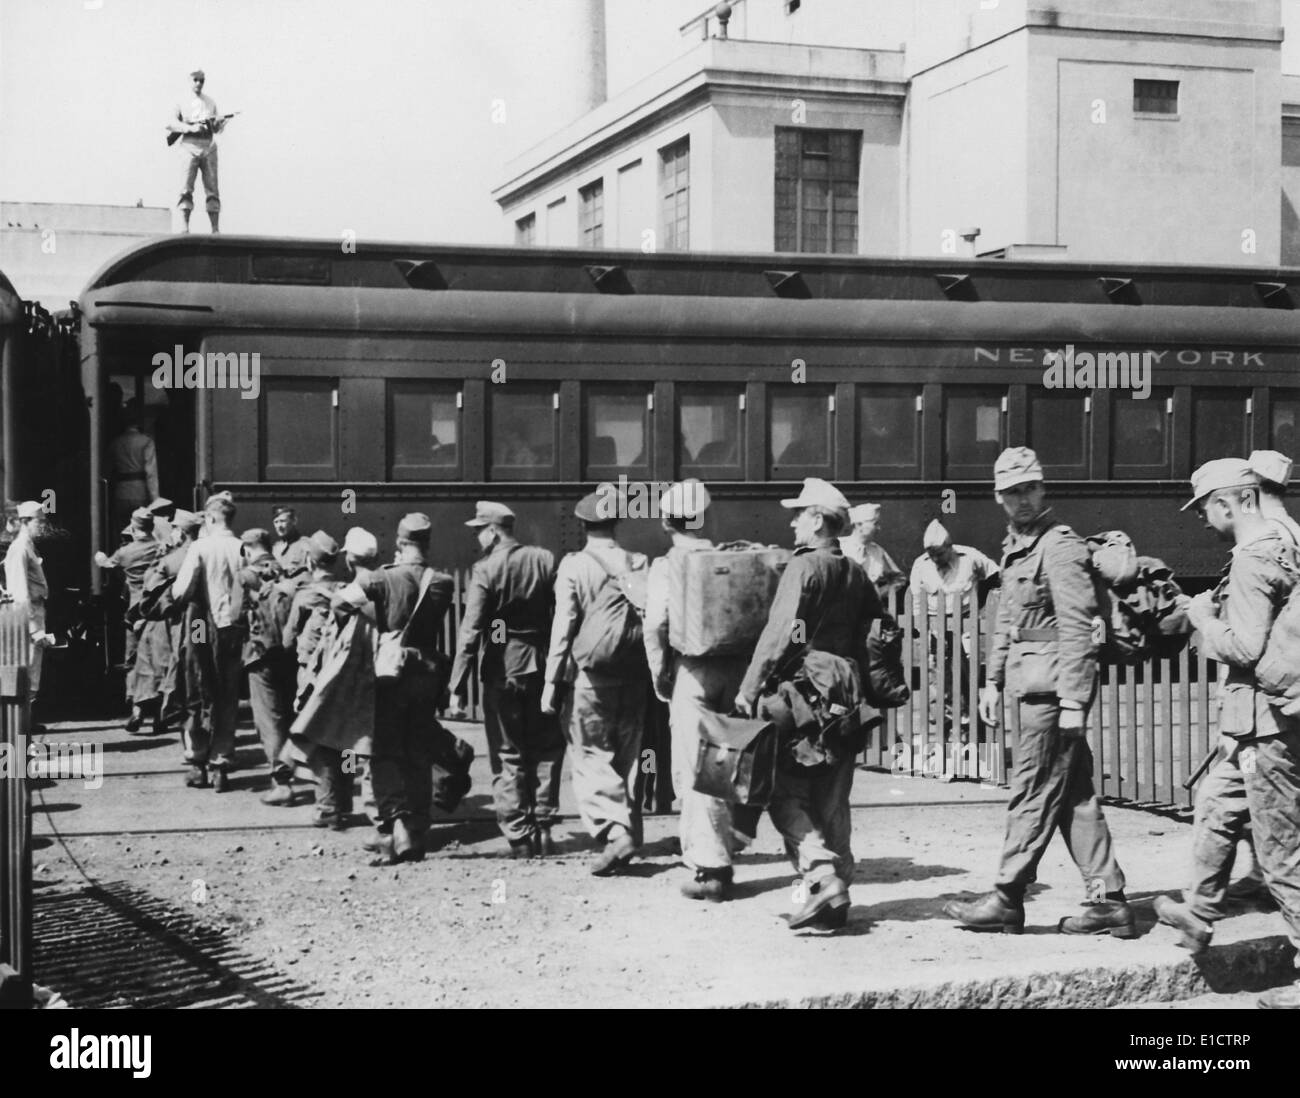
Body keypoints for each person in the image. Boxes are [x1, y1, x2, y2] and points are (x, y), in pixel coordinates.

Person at [944, 448, 1134, 937]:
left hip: (1053, 695)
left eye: (1029, 489)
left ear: (1043, 488)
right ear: (998, 498)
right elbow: (1007, 620)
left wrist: (1074, 703)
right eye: (1011, 492)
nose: (1021, 500)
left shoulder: (1061, 547)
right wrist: (990, 681)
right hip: (1032, 685)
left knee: (1030, 789)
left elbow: (1078, 629)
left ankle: (1007, 896)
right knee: (1074, 793)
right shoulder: (1017, 547)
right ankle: (1108, 899)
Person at [1165, 459, 1300, 1009]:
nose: (1204, 521)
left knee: (1281, 853)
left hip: (1269, 727)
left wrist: (1201, 615)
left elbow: (1245, 648)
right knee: (1217, 801)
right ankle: (1198, 914)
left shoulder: (1251, 558)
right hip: (1256, 723)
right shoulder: (1286, 536)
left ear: (1233, 501)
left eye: (1207, 508)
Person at [734, 478, 882, 931]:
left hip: (802, 694)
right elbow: (873, 635)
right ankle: (839, 894)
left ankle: (820, 876)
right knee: (833, 794)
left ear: (818, 520)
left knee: (785, 791)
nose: (793, 521)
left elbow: (782, 634)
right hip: (845, 694)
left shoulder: (804, 569)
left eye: (800, 513)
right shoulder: (856, 572)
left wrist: (750, 687)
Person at [643, 479, 748, 902]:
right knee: (725, 764)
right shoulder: (728, 558)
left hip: (695, 672)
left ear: (667, 521)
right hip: (735, 671)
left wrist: (661, 674)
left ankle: (712, 870)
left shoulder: (668, 566)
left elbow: (655, 625)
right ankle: (722, 848)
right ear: (705, 517)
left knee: (694, 766)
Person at [542, 490, 650, 876]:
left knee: (590, 756)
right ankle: (628, 830)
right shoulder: (638, 563)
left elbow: (563, 627)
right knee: (626, 757)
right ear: (616, 524)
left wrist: (551, 682)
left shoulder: (575, 565)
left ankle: (616, 832)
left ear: (583, 525)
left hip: (591, 679)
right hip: (634, 676)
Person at [338, 514, 453, 862]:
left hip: (392, 675)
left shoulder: (382, 577)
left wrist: (380, 620)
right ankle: (417, 829)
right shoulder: (442, 582)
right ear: (427, 544)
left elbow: (340, 602)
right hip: (428, 675)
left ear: (400, 545)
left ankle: (396, 824)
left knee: (385, 751)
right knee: (418, 750)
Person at [450, 502, 563, 858]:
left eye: (478, 530)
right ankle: (544, 827)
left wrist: (456, 685)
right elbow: (560, 612)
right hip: (542, 666)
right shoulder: (544, 559)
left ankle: (518, 835)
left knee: (508, 752)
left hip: (504, 669)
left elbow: (471, 632)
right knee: (545, 748)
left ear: (494, 530)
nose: (476, 536)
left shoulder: (485, 569)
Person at [171, 494, 245, 791]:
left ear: (212, 518)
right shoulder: (242, 547)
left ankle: (198, 760)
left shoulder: (200, 547)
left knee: (198, 686)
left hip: (202, 626)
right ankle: (221, 762)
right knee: (228, 693)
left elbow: (182, 591)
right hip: (233, 628)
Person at [910, 519, 999, 739]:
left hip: (966, 623)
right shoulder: (921, 565)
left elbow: (995, 574)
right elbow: (915, 600)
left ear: (950, 547)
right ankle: (947, 730)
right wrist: (921, 629)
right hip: (935, 626)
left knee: (968, 677)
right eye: (931, 555)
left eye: (940, 554)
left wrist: (982, 604)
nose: (936, 560)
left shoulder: (970, 558)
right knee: (938, 681)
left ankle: (970, 731)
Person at [239, 528, 301, 807]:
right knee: (288, 714)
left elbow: (232, 615)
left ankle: (282, 783)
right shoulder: (287, 572)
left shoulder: (245, 576)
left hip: (259, 654)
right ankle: (297, 771)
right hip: (289, 653)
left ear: (248, 548)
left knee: (269, 719)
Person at [141, 510, 204, 765]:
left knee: (180, 675)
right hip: (205, 624)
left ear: (181, 531)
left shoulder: (172, 559)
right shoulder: (204, 551)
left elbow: (150, 591)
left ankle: (189, 742)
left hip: (180, 623)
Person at [95, 507, 164, 731]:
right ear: (152, 527)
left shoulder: (126, 552)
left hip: (135, 612)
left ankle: (137, 711)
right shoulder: (162, 549)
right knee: (160, 659)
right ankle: (161, 715)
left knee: (133, 660)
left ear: (134, 527)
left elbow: (107, 564)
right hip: (159, 612)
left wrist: (100, 558)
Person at [3, 501, 54, 711]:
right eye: (39, 521)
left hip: (34, 613)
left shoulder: (28, 547)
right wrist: (34, 628)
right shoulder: (20, 549)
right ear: (25, 521)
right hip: (27, 618)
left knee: (32, 674)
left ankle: (27, 724)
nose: (43, 525)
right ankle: (23, 730)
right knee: (26, 677)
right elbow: (20, 591)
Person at [282, 532, 341, 695]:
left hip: (310, 667)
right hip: (337, 664)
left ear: (310, 560)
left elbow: (288, 640)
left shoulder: (305, 596)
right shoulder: (343, 590)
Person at [168, 68, 225, 233]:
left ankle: (215, 229)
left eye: (202, 80)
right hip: (189, 146)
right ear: (190, 80)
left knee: (212, 189)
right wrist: (190, 128)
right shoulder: (181, 101)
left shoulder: (210, 102)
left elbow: (216, 129)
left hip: (208, 146)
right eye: (196, 80)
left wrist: (217, 124)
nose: (199, 83)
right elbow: (170, 124)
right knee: (186, 189)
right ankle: (185, 227)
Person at [839, 503, 906, 605]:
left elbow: (899, 579)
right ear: (859, 525)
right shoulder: (840, 547)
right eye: (875, 524)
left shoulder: (877, 551)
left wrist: (878, 593)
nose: (879, 528)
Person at [108, 405, 158, 538]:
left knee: (122, 529)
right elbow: (151, 473)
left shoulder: (115, 442)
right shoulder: (146, 441)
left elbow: (109, 469)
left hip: (121, 491)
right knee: (141, 528)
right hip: (139, 490)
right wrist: (155, 500)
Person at [271, 506, 313, 578]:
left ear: (294, 521)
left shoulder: (306, 545)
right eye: (276, 522)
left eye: (282, 521)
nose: (279, 526)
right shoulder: (275, 549)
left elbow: (312, 573)